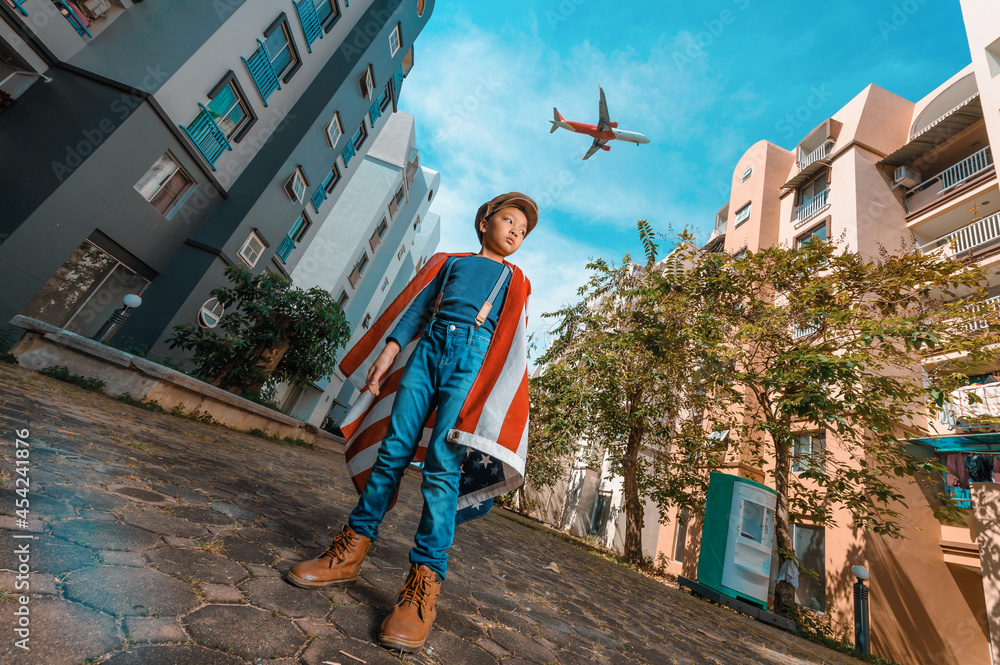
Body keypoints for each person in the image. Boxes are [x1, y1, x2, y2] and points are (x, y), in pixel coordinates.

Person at [287, 192, 537, 652]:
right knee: (393, 451)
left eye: (523, 230)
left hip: (473, 361)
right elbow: (417, 310)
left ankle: (423, 584)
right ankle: (350, 549)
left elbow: (509, 349)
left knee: (443, 467)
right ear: (484, 223)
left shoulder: (514, 278)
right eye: (508, 220)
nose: (516, 231)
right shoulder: (449, 262)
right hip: (428, 351)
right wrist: (389, 351)